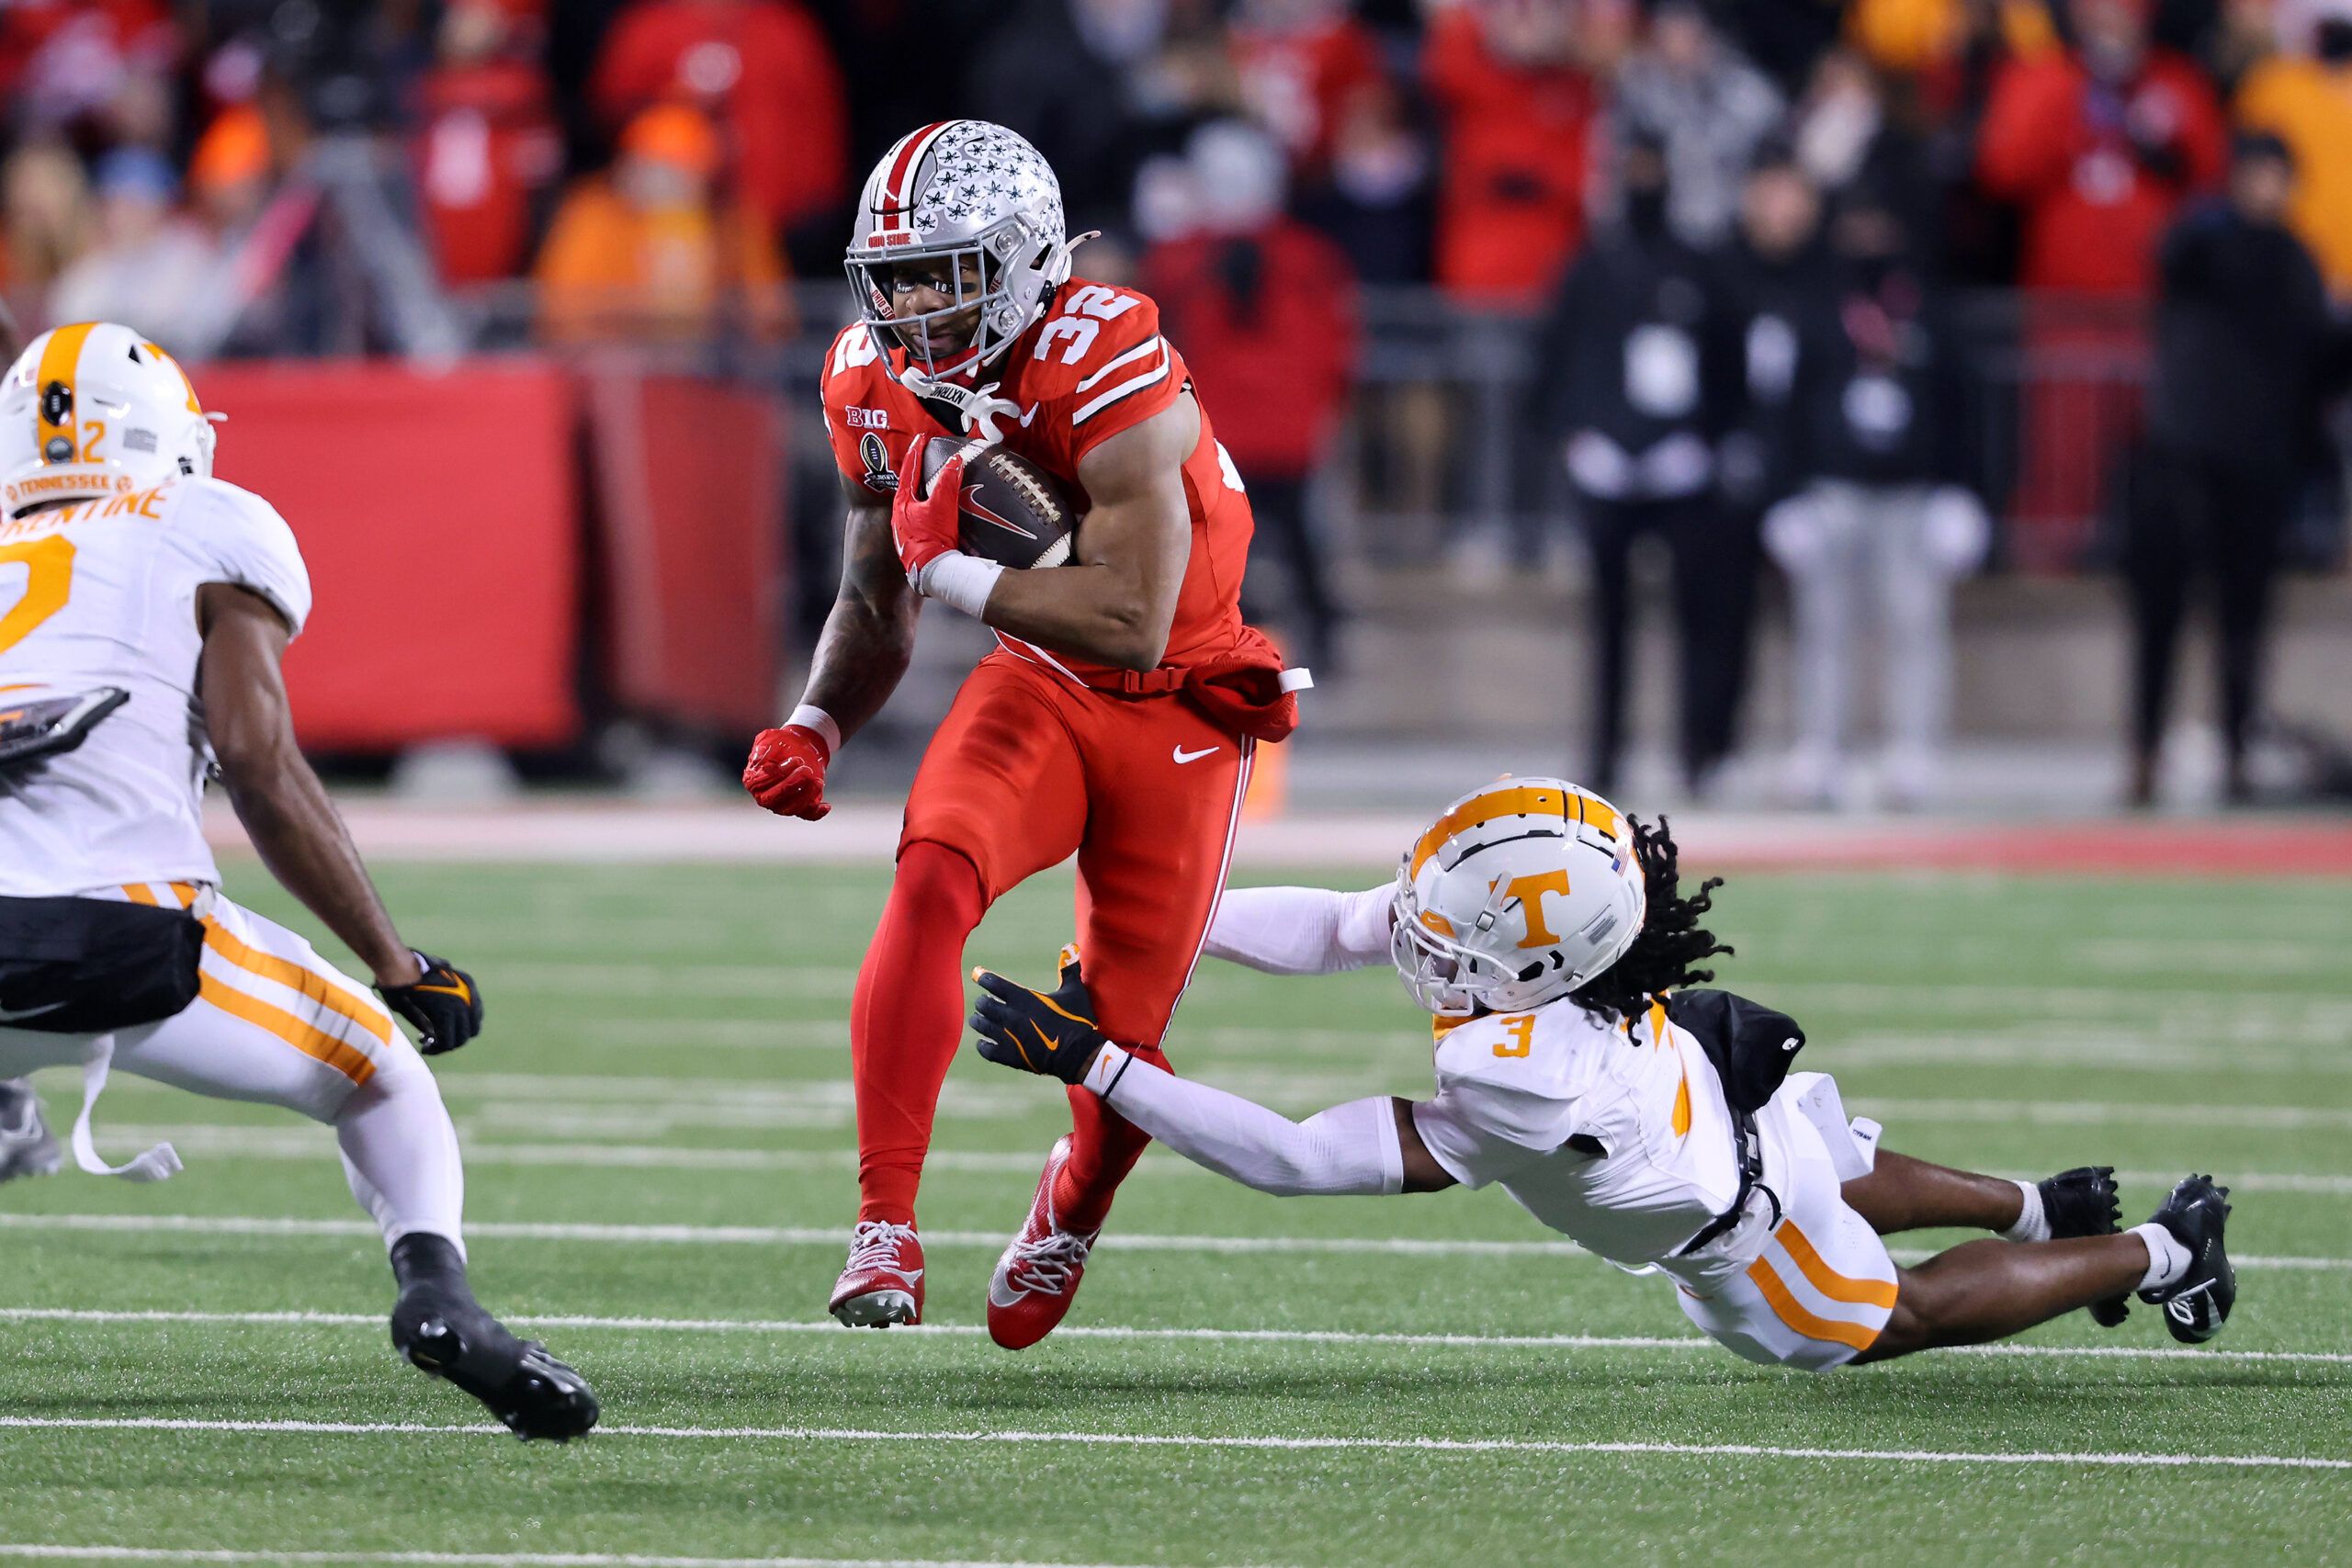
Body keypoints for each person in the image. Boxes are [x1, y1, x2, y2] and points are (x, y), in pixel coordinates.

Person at [973, 777, 2238, 1368]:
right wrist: (1155, 922)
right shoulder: (1558, 936)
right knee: (1836, 1157)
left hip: (1739, 1230)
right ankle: (2033, 1201)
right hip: (1714, 1097)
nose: (1417, 933)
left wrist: (1103, 1062)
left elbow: (1301, 1159)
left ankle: (2163, 1250)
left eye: (1451, 936)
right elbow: (1354, 924)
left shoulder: (1520, 1072)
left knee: (1897, 1311)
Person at [740, 120, 1301, 1348]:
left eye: (947, 270)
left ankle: (1073, 1203)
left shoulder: (1106, 349)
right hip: (1040, 681)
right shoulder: (865, 378)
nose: (916, 304)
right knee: (933, 869)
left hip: (1181, 706)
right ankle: (883, 1221)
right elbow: (875, 588)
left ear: (1031, 257)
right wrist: (817, 718)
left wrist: (952, 577)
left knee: (1119, 1036)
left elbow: (1136, 620)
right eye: (895, 276)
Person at [0, 321, 598, 1440]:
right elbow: (260, 765)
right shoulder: (202, 522)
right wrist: (395, 962)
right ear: (168, 436)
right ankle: (440, 1297)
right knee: (376, 1071)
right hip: (116, 937)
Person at [2126, 133, 2342, 807]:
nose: (2265, 188)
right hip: (2180, 453)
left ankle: (2237, 753)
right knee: (2160, 611)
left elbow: (2323, 364)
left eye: (2277, 176)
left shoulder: (2297, 259)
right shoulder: (2203, 241)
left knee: (2245, 618)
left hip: (2259, 459)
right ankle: (2144, 753)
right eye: (2255, 175)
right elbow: (2168, 260)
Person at [1763, 190, 1990, 809]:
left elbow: (1960, 407)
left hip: (1910, 495)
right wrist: (1785, 495)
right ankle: (1820, 746)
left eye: (1878, 225)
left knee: (1916, 624)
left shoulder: (1926, 308)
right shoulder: (1816, 308)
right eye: (1856, 226)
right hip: (1833, 491)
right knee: (1823, 626)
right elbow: (1788, 406)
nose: (1867, 240)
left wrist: (1963, 493)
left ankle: (1913, 749)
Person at [1532, 131, 1743, 795]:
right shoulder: (1591, 266)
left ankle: (1698, 753)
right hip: (1608, 467)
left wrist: (1707, 438)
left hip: (1681, 467)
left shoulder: (1698, 267)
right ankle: (1604, 755)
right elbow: (1555, 362)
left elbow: (1729, 365)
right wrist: (1575, 437)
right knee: (1610, 624)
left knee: (1699, 615)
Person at [1143, 120, 1358, 672]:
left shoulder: (1185, 259)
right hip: (1279, 430)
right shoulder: (1307, 257)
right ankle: (1318, 642)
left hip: (1224, 433)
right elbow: (1336, 345)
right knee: (1294, 542)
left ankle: (1211, 643)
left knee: (1216, 547)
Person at [532, 102, 788, 344]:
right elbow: (561, 312)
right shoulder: (594, 216)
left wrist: (725, 312)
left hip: (713, 370)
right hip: (613, 369)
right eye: (657, 167)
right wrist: (644, 314)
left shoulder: (734, 224)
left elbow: (773, 317)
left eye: (686, 171)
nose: (672, 183)